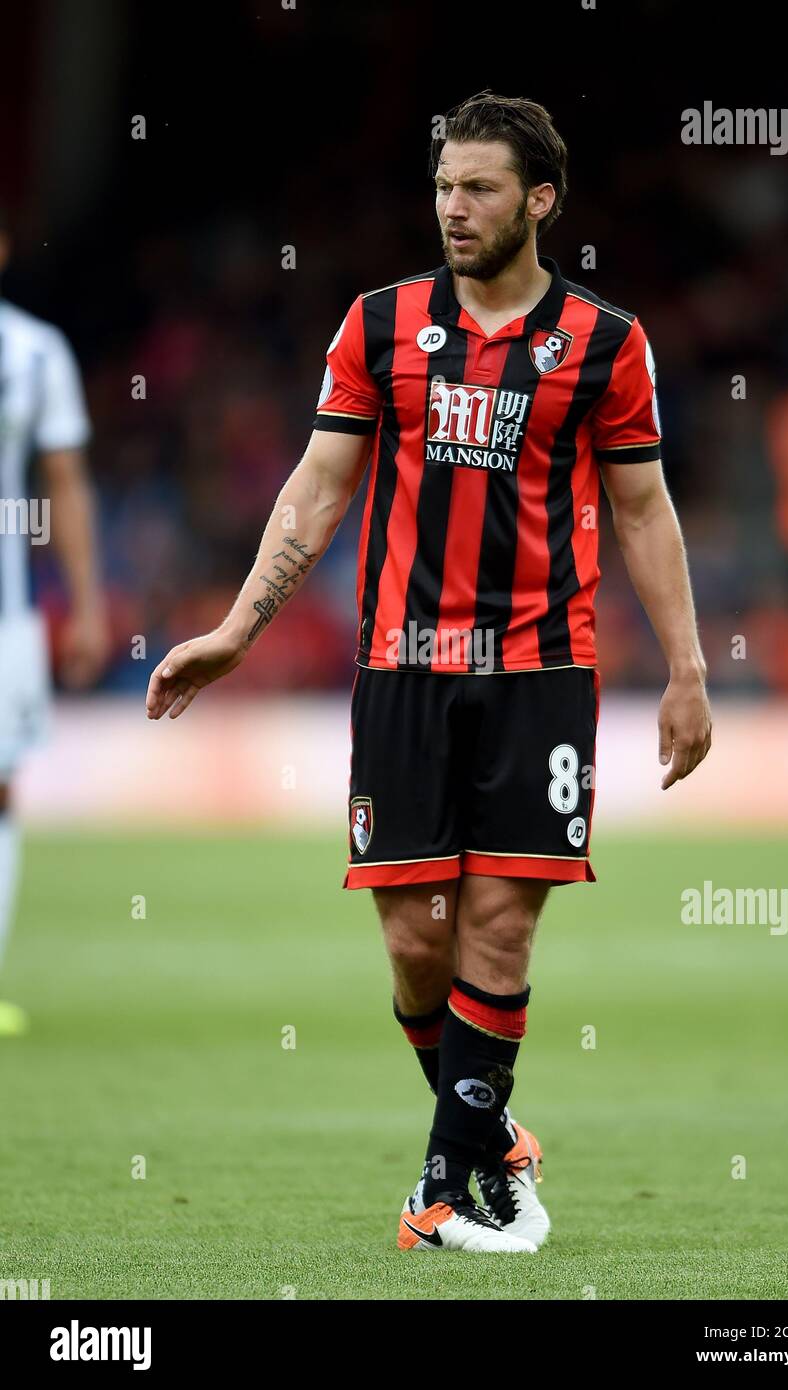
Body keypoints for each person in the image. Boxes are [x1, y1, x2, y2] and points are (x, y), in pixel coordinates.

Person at [146, 91, 711, 1253]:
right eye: (444, 187)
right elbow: (315, 488)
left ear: (539, 201)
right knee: (415, 939)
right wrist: (236, 629)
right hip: (401, 665)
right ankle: (491, 1132)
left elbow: (644, 509)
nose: (454, 208)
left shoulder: (606, 343)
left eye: (481, 188)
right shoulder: (377, 325)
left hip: (541, 671)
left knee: (497, 926)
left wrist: (688, 670)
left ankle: (441, 1187)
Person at [0, 205, 110, 1035]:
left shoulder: (35, 352)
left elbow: (64, 480)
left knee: (2, 788)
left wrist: (86, 601)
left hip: (7, 615)